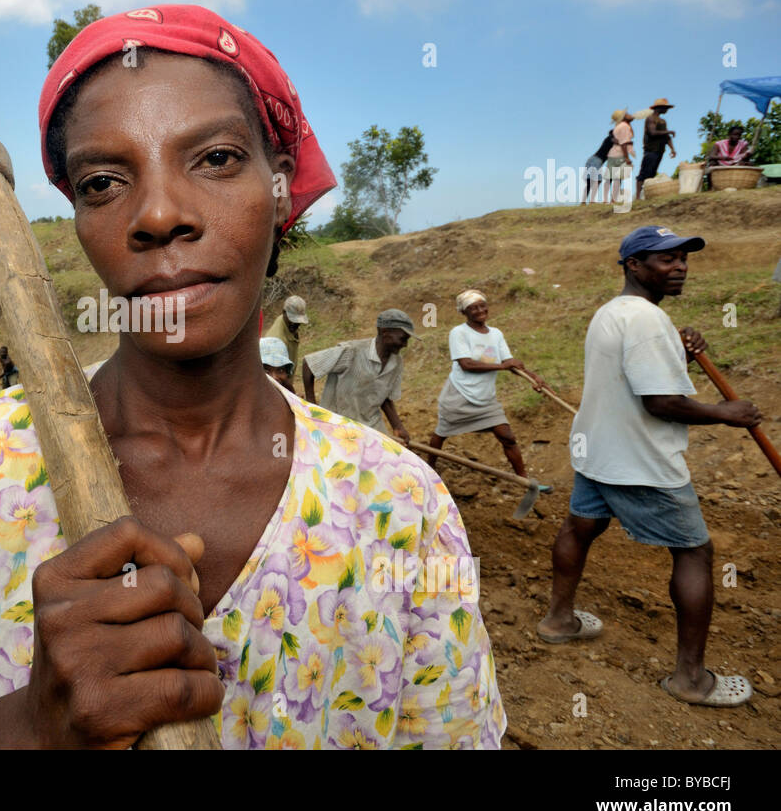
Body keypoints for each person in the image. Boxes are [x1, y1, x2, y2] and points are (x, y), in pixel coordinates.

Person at [0, 4, 503, 750]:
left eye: (214, 158)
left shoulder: (399, 508)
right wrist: (28, 727)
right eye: (104, 182)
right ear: (81, 222)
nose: (158, 214)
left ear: (279, 190)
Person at [537, 226, 763, 708]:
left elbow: (632, 370)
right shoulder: (645, 321)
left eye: (683, 258)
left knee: (580, 527)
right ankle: (691, 680)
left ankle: (558, 620)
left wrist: (675, 350)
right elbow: (660, 401)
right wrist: (726, 414)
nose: (680, 266)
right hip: (641, 463)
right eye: (665, 259)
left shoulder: (613, 312)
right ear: (633, 265)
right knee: (695, 553)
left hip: (597, 451)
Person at [426, 290, 551, 488]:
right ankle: (428, 471)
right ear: (464, 312)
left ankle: (525, 480)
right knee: (442, 433)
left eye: (482, 305)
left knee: (507, 437)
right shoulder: (459, 333)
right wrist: (502, 366)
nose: (480, 310)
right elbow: (466, 364)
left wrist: (534, 378)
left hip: (485, 398)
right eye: (473, 308)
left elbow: (509, 361)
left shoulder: (496, 334)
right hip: (459, 394)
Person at [301, 309, 417, 445]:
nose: (405, 345)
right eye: (403, 339)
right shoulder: (352, 351)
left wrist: (398, 426)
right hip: (338, 424)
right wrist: (312, 407)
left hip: (370, 426)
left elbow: (385, 397)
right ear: (385, 331)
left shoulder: (396, 363)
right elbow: (309, 364)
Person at [636, 99, 676, 201]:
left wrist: (672, 149)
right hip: (650, 150)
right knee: (644, 174)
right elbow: (652, 132)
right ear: (659, 108)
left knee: (652, 174)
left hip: (660, 150)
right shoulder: (651, 118)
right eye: (665, 108)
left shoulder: (662, 121)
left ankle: (647, 196)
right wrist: (668, 132)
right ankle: (637, 197)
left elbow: (666, 137)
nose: (666, 110)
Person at [264, 295, 308, 370]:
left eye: (298, 321)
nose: (294, 324)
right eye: (292, 319)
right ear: (284, 312)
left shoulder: (287, 324)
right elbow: (275, 376)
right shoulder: (276, 342)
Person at [604, 109, 637, 205]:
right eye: (626, 114)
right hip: (620, 155)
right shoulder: (625, 126)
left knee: (609, 178)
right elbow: (623, 143)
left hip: (612, 154)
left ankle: (606, 200)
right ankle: (613, 199)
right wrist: (627, 158)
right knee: (618, 178)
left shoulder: (620, 126)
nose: (629, 114)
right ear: (623, 117)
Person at [581, 122, 617, 204]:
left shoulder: (607, 140)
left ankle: (584, 201)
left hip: (592, 160)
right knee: (596, 181)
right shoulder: (610, 140)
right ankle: (591, 201)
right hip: (596, 161)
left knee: (591, 182)